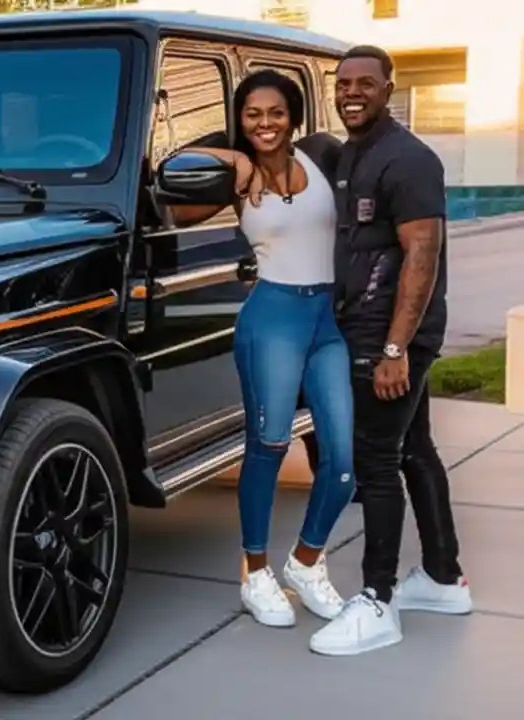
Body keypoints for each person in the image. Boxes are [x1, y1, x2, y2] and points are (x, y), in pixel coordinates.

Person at [169, 69, 355, 628]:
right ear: (240, 121)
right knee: (269, 445)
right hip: (272, 318)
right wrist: (234, 160)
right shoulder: (233, 176)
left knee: (342, 461)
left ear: (293, 116)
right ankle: (254, 572)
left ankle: (304, 561)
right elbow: (168, 192)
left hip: (328, 320)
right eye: (252, 115)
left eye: (275, 113)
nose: (265, 124)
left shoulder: (323, 156)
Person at [309, 45, 473, 657]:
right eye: (343, 83)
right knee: (414, 449)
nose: (352, 92)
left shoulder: (408, 160)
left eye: (365, 84)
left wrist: (395, 348)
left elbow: (422, 258)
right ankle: (441, 575)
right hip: (377, 331)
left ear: (388, 87)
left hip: (391, 338)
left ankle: (376, 601)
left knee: (374, 460)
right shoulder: (353, 151)